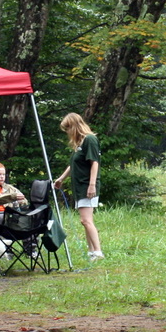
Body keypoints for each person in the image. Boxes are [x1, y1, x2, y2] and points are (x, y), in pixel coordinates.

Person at [53, 112, 103, 261]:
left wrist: (92, 185)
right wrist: (61, 179)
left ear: (74, 126)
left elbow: (94, 162)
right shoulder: (79, 144)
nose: (67, 133)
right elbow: (73, 165)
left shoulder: (90, 140)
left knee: (86, 220)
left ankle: (98, 252)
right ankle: (91, 251)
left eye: (68, 129)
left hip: (88, 186)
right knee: (86, 221)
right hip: (79, 187)